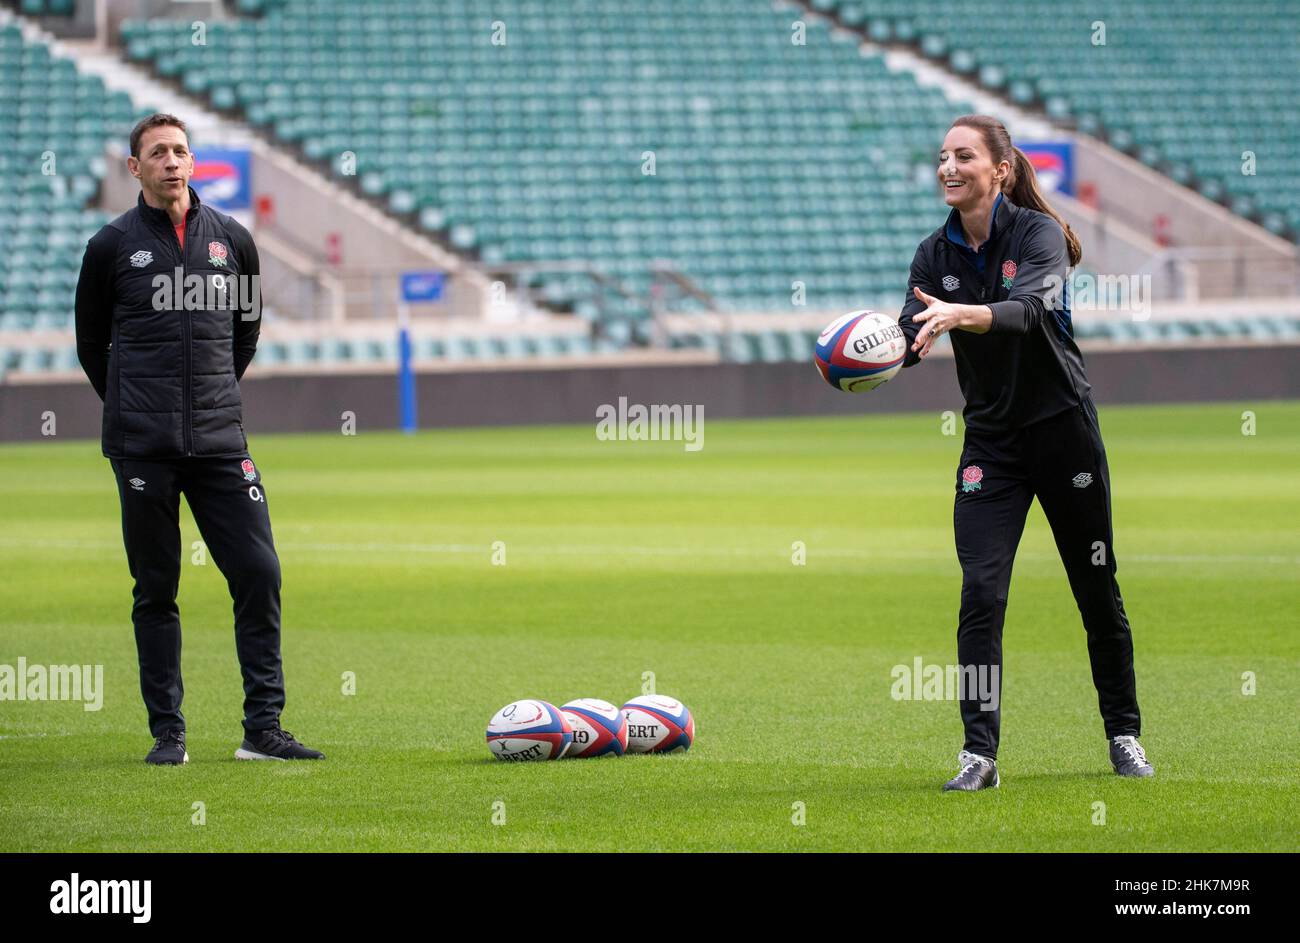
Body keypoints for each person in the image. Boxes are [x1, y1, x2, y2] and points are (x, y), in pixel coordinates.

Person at [898, 114, 1152, 791]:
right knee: (981, 590)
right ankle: (978, 755)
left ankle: (1123, 732)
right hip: (992, 444)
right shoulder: (933, 255)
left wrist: (960, 314)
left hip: (1063, 433)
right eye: (943, 156)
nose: (949, 167)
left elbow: (1028, 312)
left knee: (1095, 587)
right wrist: (869, 349)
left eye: (964, 156)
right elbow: (906, 335)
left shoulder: (1038, 235)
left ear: (1000, 170)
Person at [75, 113, 323, 764]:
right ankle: (169, 733)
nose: (171, 161)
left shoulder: (233, 240)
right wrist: (136, 409)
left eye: (180, 150)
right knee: (157, 587)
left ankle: (262, 729)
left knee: (260, 572)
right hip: (143, 447)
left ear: (193, 161)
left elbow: (246, 331)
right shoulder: (110, 247)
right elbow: (90, 343)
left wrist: (207, 398)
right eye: (158, 152)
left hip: (220, 442)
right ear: (136, 168)